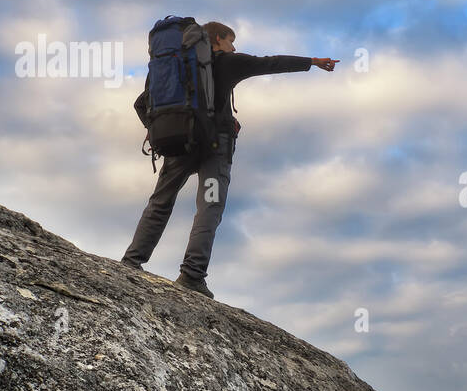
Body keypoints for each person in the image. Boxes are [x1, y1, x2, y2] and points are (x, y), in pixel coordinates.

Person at [121, 21, 337, 298]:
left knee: (160, 202)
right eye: (231, 41)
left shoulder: (174, 68)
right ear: (217, 40)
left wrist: (156, 130)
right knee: (209, 207)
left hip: (180, 144)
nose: (234, 47)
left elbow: (140, 104)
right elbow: (270, 63)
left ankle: (132, 261)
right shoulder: (229, 62)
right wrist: (312, 61)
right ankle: (192, 275)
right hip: (214, 148)